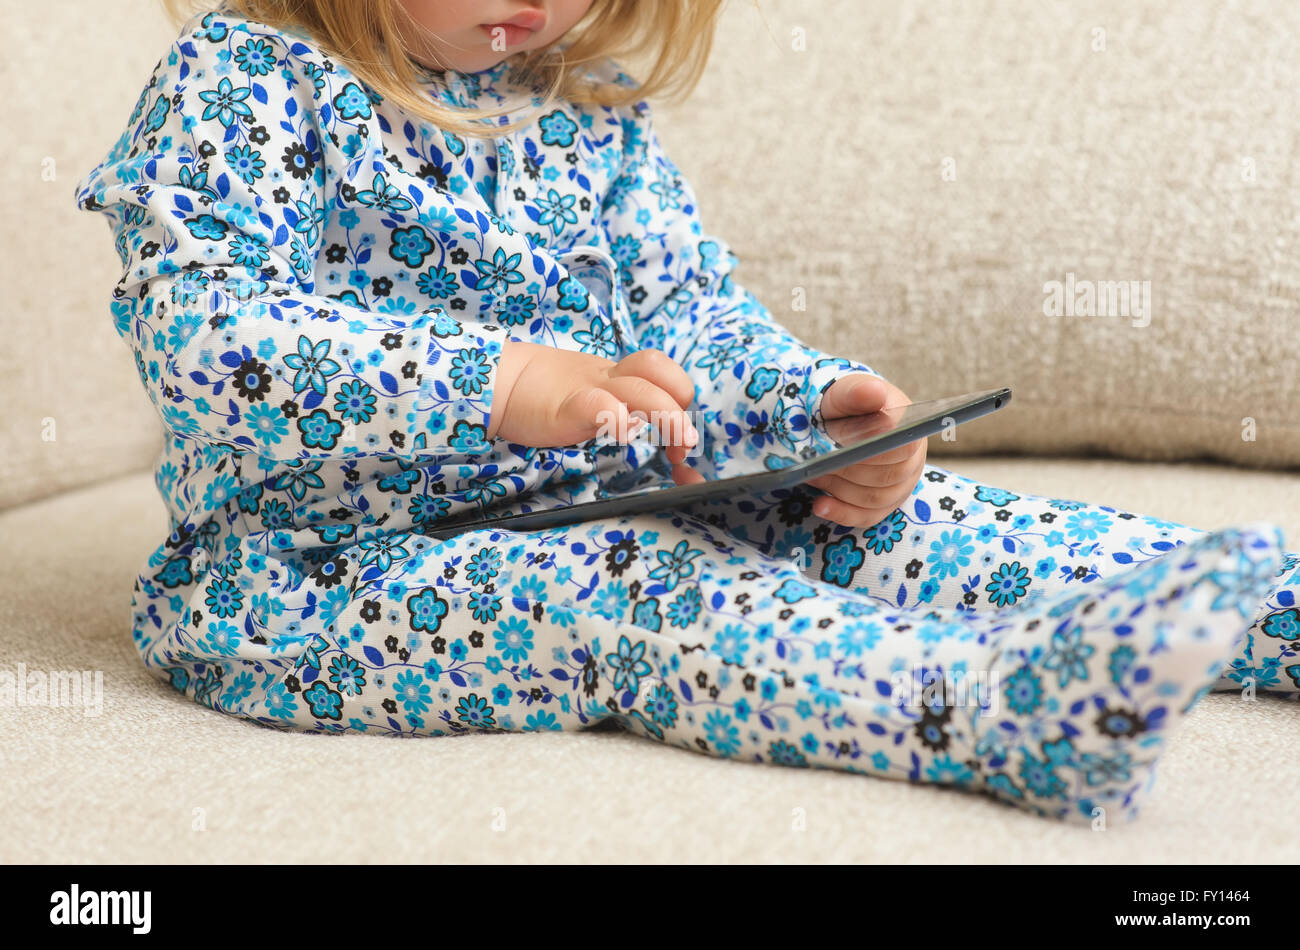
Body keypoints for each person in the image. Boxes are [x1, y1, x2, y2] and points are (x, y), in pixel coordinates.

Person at [75, 0, 1297, 823]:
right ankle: (994, 713)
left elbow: (692, 320)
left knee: (919, 526)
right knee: (639, 595)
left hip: (623, 487)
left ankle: (1275, 609)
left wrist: (810, 411)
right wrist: (503, 387)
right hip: (324, 568)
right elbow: (205, 333)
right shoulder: (245, 76)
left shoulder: (580, 102)